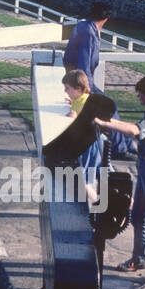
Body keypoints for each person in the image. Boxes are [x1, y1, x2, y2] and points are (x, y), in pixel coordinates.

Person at [93, 75, 145, 283]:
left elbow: (134, 130)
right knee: (138, 217)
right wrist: (106, 120)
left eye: (141, 92)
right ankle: (140, 258)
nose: (138, 95)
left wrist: (106, 123)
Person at [61, 69, 101, 204]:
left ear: (78, 88)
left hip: (88, 145)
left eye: (67, 88)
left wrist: (75, 118)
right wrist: (71, 103)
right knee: (102, 172)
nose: (65, 91)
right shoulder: (79, 99)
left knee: (82, 178)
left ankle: (97, 202)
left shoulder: (86, 103)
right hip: (93, 143)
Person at [63, 3, 112, 88]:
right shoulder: (89, 33)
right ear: (107, 18)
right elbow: (83, 66)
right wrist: (89, 89)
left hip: (73, 78)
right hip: (78, 83)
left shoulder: (82, 25)